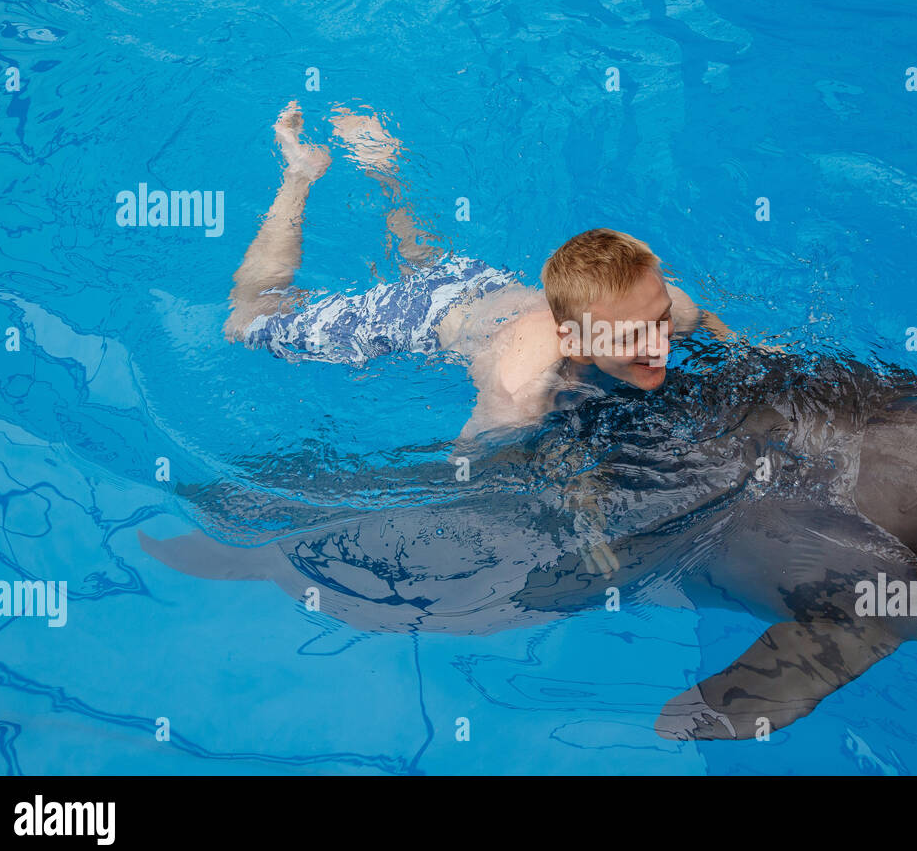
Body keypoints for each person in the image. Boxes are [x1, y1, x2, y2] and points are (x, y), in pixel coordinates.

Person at [225, 102, 741, 574]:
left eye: (662, 321)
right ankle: (301, 173)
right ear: (575, 341)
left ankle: (382, 164)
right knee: (249, 319)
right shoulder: (520, 386)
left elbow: (712, 323)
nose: (660, 344)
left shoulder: (667, 308)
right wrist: (577, 511)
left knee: (424, 257)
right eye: (632, 336)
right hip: (425, 317)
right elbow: (469, 472)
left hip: (485, 286)